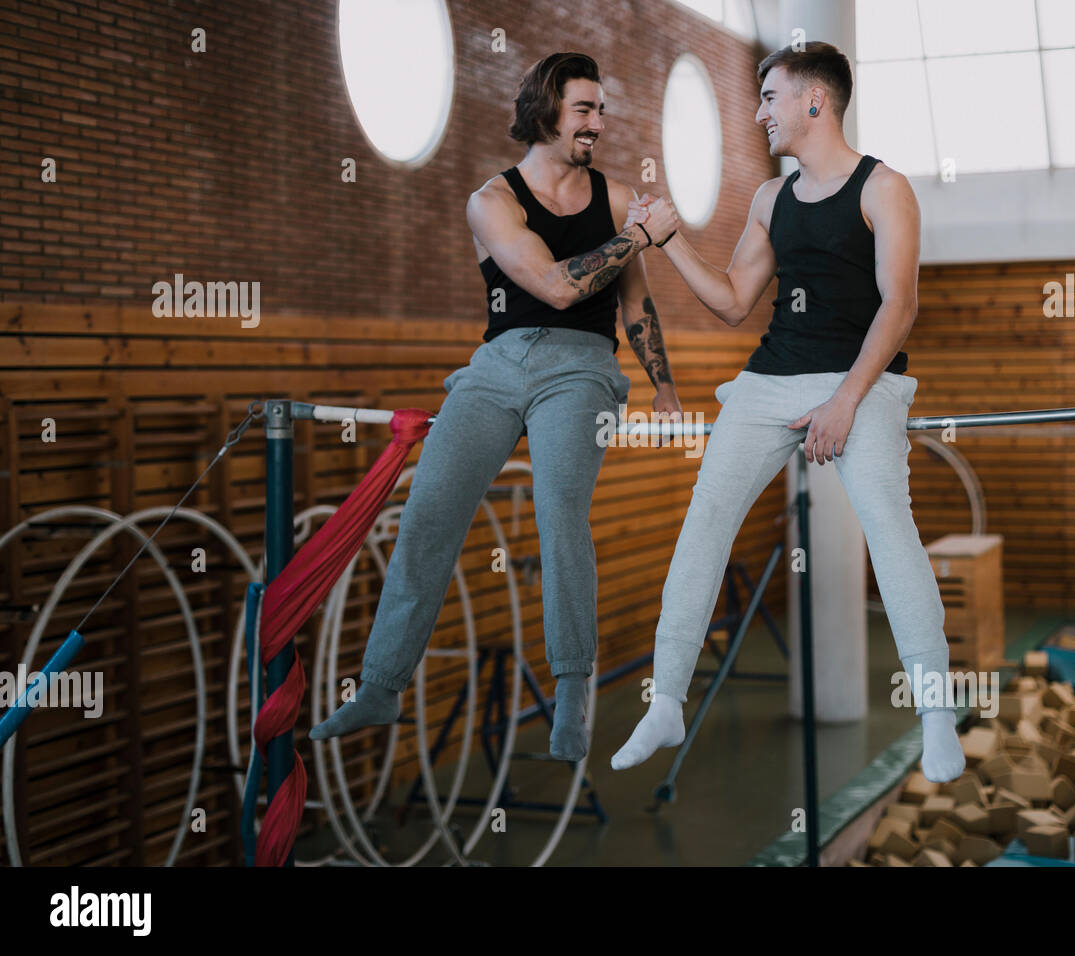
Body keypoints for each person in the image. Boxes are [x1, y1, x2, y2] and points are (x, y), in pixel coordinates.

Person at [310, 51, 681, 761]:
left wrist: (663, 385)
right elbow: (555, 285)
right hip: (498, 364)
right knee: (429, 506)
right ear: (545, 111)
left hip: (580, 368)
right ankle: (383, 685)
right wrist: (638, 234)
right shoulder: (492, 201)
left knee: (557, 507)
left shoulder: (613, 197)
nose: (598, 123)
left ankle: (573, 686)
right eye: (584, 109)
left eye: (601, 110)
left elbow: (633, 303)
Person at [612, 41, 966, 782]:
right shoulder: (771, 198)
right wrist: (668, 239)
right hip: (772, 378)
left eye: (768, 96)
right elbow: (734, 301)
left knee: (886, 522)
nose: (757, 111)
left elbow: (900, 307)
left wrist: (844, 400)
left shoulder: (884, 188)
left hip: (860, 379)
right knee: (705, 516)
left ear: (814, 100)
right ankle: (667, 700)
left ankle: (936, 711)